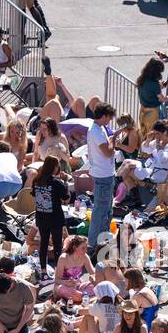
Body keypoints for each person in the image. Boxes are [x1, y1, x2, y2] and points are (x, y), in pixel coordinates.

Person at [86, 102, 117, 249]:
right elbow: (108, 152)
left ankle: (101, 243)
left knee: (105, 211)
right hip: (103, 176)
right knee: (100, 212)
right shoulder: (97, 131)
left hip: (103, 174)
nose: (109, 121)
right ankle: (93, 245)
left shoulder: (99, 129)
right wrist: (112, 141)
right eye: (109, 118)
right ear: (104, 116)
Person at [53, 234, 95, 304]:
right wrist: (66, 282)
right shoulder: (63, 258)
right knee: (61, 289)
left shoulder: (85, 256)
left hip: (78, 285)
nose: (86, 250)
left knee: (96, 285)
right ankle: (84, 297)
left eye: (86, 248)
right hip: (64, 286)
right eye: (83, 248)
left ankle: (80, 297)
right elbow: (57, 281)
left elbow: (93, 273)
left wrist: (95, 278)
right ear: (75, 247)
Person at [136, 57, 167, 138]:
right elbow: (162, 98)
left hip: (143, 111)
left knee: (143, 134)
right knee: (152, 136)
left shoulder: (142, 79)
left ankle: (143, 149)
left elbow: (150, 91)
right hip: (153, 113)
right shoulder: (154, 84)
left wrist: (160, 87)